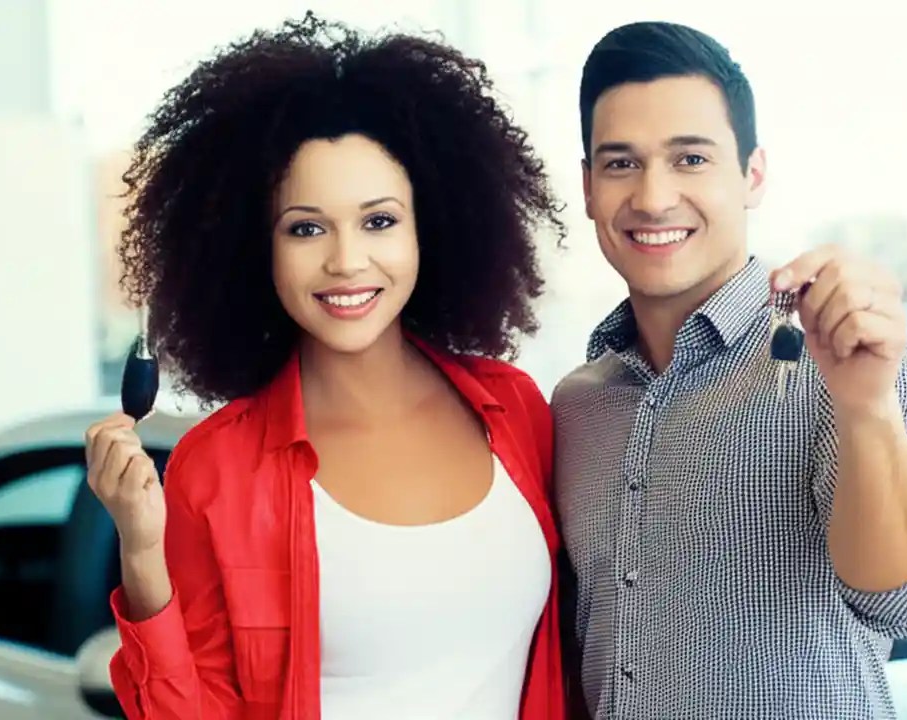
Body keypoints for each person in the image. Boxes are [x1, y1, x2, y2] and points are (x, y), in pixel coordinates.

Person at [82, 14, 569, 720]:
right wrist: (141, 550)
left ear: (431, 226)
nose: (346, 261)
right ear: (258, 249)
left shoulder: (517, 410)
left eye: (379, 221)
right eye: (306, 227)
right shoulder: (215, 469)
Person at [552, 20, 907, 719]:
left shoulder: (842, 355)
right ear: (588, 187)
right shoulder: (576, 406)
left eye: (690, 159)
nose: (651, 197)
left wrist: (865, 407)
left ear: (753, 175)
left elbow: (904, 601)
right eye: (621, 163)